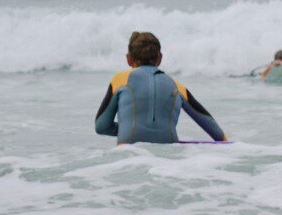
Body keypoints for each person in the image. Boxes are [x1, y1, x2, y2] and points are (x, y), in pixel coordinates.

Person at [95, 31, 228, 144]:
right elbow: (213, 128)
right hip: (167, 159)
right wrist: (227, 145)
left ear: (128, 59)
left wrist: (128, 128)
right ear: (160, 58)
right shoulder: (177, 86)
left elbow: (101, 126)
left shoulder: (120, 80)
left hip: (130, 155)